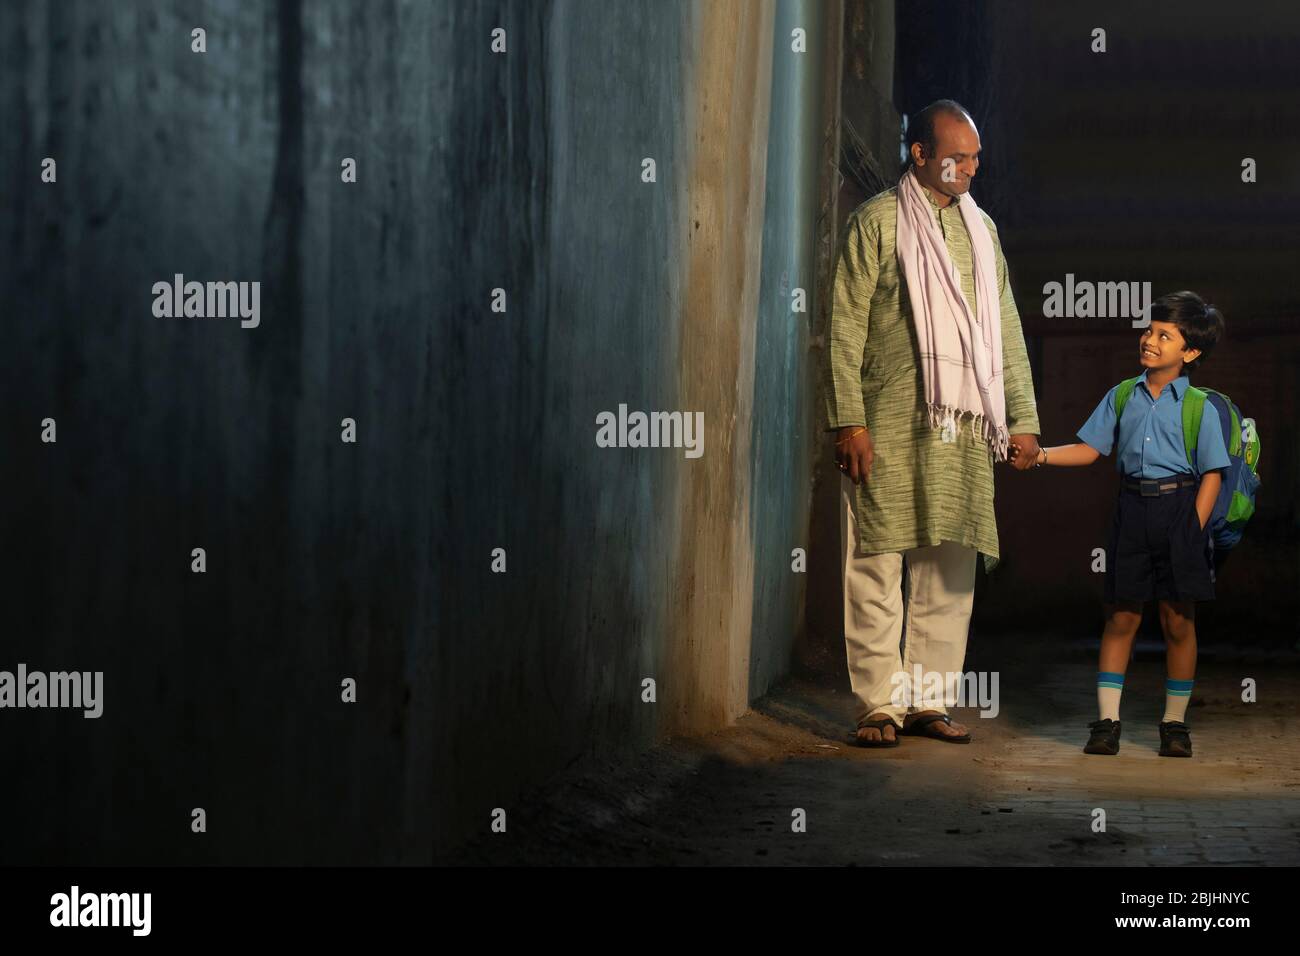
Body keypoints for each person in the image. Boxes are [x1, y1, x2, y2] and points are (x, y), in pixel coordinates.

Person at [822, 100, 1041, 747]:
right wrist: (847, 422)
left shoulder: (982, 231)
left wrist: (1022, 417)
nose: (971, 169)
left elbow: (1004, 327)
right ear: (918, 154)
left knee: (949, 567)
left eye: (976, 156)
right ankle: (878, 707)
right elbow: (843, 327)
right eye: (957, 156)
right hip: (883, 427)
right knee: (875, 561)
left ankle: (927, 702)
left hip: (962, 429)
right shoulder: (877, 223)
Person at [1012, 291, 1228, 758]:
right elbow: (1090, 450)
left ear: (1189, 353)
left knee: (1177, 621)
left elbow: (1213, 473)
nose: (1149, 340)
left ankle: (1174, 725)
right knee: (1121, 617)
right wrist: (1040, 456)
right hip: (1131, 512)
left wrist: (1190, 527)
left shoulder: (1199, 407)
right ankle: (1107, 722)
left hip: (1181, 511)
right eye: (1149, 331)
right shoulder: (1122, 395)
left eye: (1163, 336)